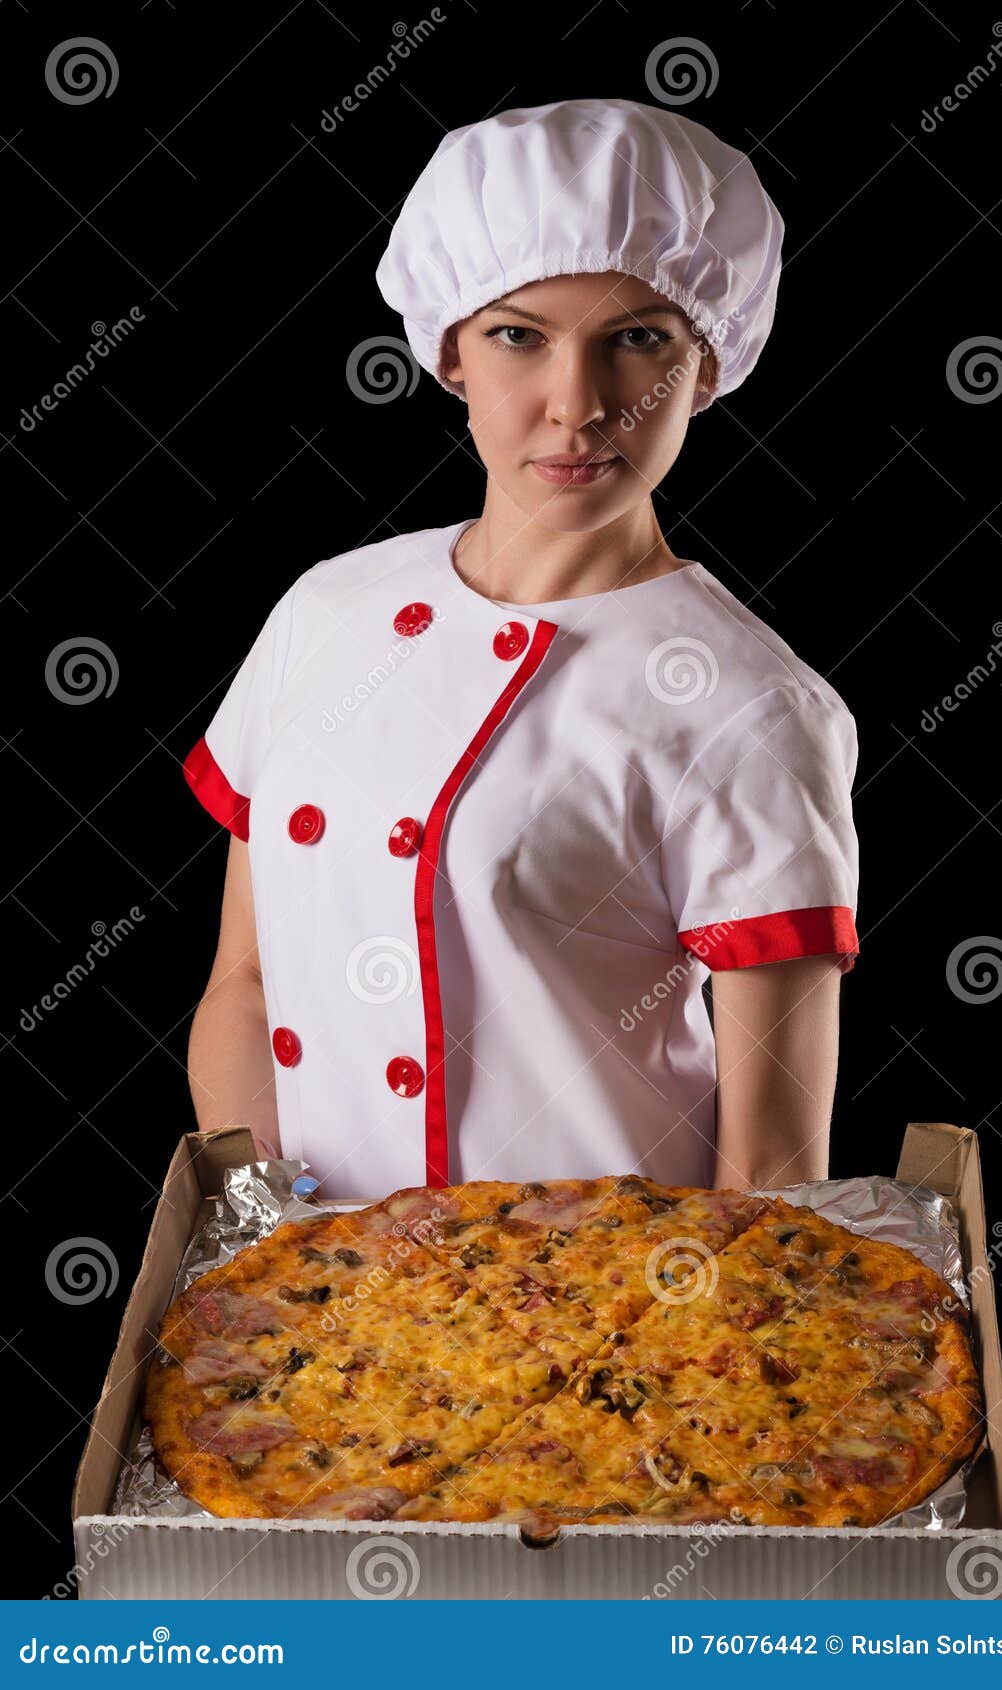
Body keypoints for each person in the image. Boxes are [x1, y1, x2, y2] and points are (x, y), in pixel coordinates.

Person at [183, 97, 859, 1200]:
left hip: (593, 1328)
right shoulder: (324, 611)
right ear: (449, 349)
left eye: (638, 339)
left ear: (709, 366)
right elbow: (248, 984)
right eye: (518, 335)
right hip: (320, 1313)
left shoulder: (755, 705)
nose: (577, 406)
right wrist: (274, 1237)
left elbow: (772, 1170)